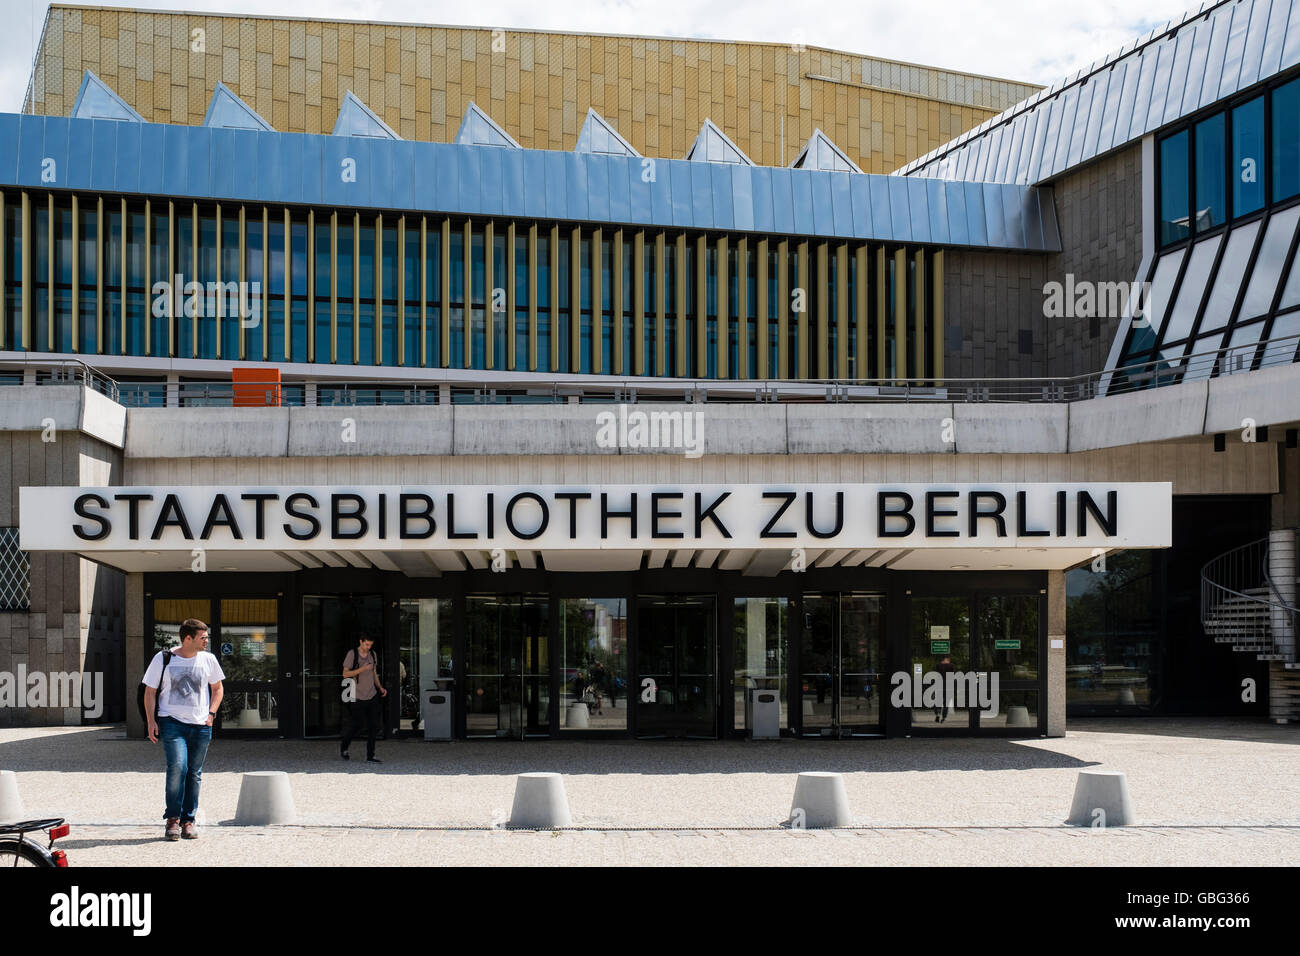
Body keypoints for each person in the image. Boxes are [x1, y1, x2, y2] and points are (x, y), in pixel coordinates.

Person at [143, 618, 224, 842]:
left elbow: (218, 689)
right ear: (188, 638)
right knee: (178, 766)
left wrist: (211, 714)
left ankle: (189, 820)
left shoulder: (208, 659)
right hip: (171, 722)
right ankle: (172, 819)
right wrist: (151, 721)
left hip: (200, 725)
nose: (207, 641)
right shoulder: (164, 658)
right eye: (203, 637)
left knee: (194, 773)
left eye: (207, 637)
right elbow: (150, 691)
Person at [341, 633, 387, 763]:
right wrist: (362, 669)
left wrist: (380, 687)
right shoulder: (352, 654)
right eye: (367, 644)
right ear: (361, 641)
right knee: (357, 725)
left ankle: (370, 756)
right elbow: (345, 674)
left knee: (375, 726)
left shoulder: (373, 655)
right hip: (356, 696)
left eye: (370, 645)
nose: (368, 647)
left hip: (371, 695)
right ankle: (344, 747)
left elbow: (374, 673)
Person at [935, 655, 956, 723]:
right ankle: (943, 718)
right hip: (948, 686)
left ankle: (938, 714)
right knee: (946, 704)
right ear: (947, 659)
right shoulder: (951, 665)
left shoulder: (938, 665)